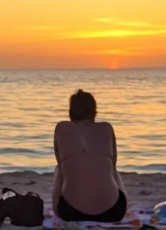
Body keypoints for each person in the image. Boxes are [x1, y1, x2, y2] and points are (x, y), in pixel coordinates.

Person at [52, 89, 126, 223]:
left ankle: (58, 206)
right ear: (94, 109)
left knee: (60, 168)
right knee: (111, 169)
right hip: (114, 212)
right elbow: (113, 163)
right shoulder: (106, 128)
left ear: (71, 110)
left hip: (70, 212)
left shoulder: (61, 128)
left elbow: (60, 161)